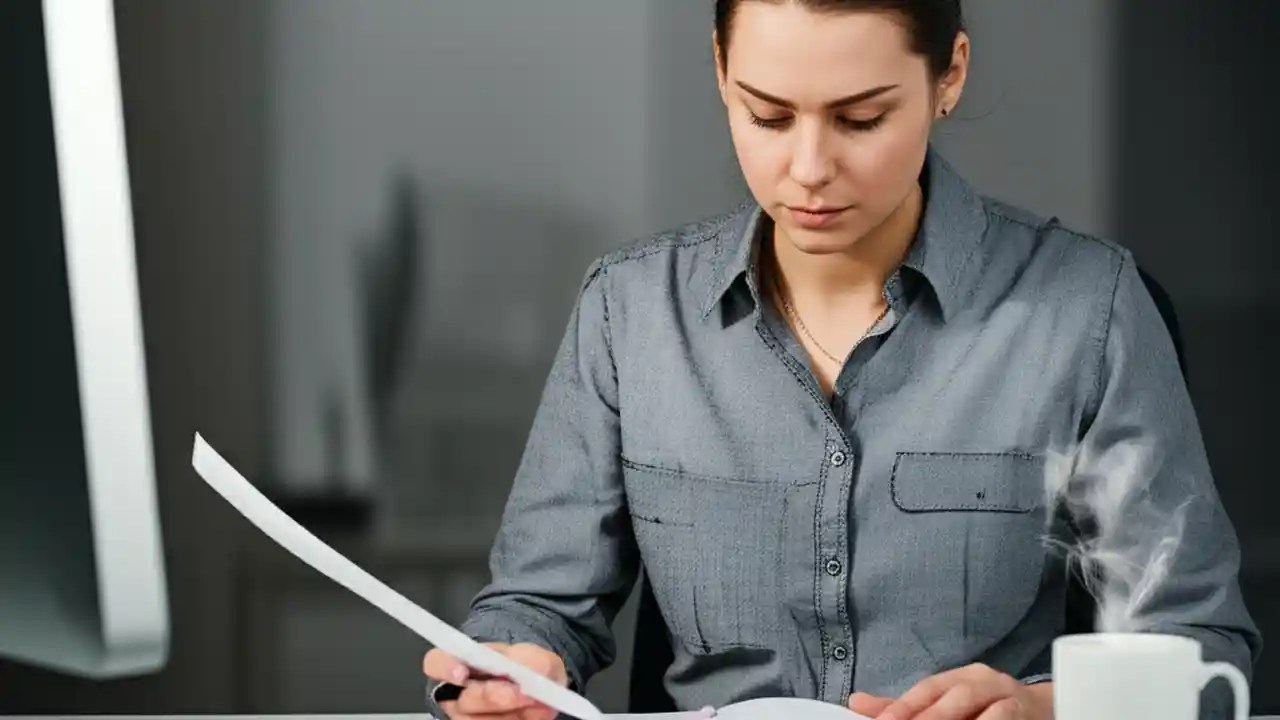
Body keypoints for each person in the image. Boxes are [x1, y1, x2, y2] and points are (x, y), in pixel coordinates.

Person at [423, 1, 1261, 719]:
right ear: (720, 69)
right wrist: (516, 667)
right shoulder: (629, 313)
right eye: (768, 115)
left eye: (861, 119)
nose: (810, 169)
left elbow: (1199, 653)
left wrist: (1044, 706)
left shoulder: (1089, 310)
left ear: (950, 76)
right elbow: (538, 609)